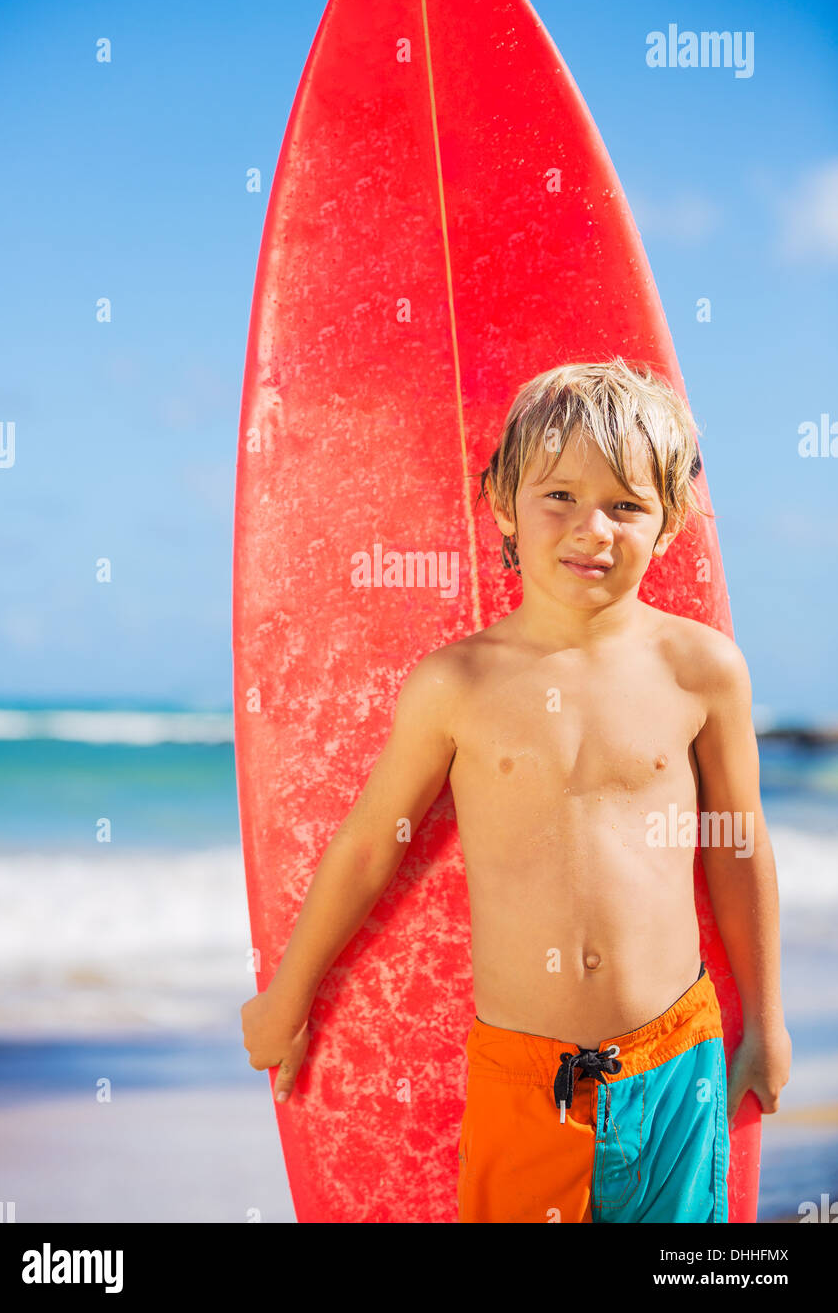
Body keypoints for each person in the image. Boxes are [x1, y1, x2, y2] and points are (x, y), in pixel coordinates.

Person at [240, 357, 791, 1223]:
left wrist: (767, 1016)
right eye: (559, 497)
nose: (592, 530)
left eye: (626, 504)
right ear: (503, 502)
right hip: (525, 1078)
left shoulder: (701, 670)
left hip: (677, 1059)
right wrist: (289, 995)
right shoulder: (456, 684)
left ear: (670, 521)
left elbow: (738, 844)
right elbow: (366, 845)